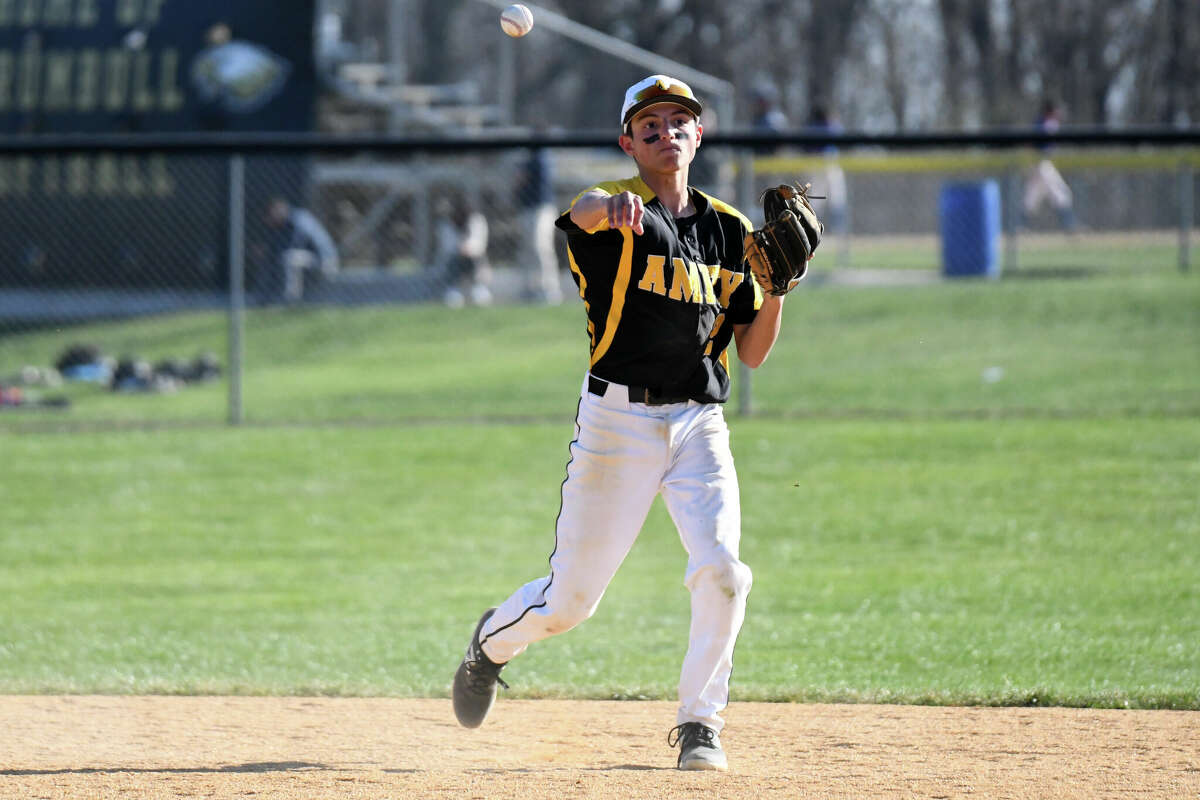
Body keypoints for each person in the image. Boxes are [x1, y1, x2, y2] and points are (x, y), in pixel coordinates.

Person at [452, 75, 798, 772]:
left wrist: (781, 290)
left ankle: (701, 724)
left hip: (700, 422)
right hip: (617, 424)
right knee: (570, 603)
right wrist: (606, 205)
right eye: (650, 125)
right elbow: (577, 212)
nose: (666, 132)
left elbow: (753, 352)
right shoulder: (617, 215)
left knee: (725, 572)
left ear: (699, 136)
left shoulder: (732, 232)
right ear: (628, 144)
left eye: (680, 121)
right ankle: (488, 647)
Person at [260, 197, 339, 304]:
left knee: (289, 258)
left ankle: (291, 300)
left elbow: (296, 244)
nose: (272, 217)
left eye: (272, 212)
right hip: (312, 259)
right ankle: (266, 297)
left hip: (326, 261)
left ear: (279, 209)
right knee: (283, 257)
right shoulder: (287, 222)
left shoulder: (298, 219)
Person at [516, 144, 563, 304]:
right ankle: (529, 288)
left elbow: (522, 179)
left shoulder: (543, 157)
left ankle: (549, 289)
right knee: (527, 248)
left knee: (541, 248)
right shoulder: (529, 158)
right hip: (527, 208)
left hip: (542, 208)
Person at [432, 192, 493, 308]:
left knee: (476, 259)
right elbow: (447, 246)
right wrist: (459, 248)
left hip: (474, 256)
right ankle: (453, 290)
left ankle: (479, 288)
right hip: (454, 257)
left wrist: (468, 247)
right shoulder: (446, 224)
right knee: (454, 260)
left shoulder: (477, 220)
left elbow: (479, 243)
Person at [1022, 99, 1076, 231]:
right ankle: (1069, 226)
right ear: (1049, 111)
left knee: (1032, 197)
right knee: (1059, 194)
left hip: (1041, 164)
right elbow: (1033, 145)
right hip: (1041, 164)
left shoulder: (1045, 123)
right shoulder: (1044, 124)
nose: (1058, 113)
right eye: (1055, 111)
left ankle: (1020, 226)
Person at [806, 103, 848, 236]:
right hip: (827, 163)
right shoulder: (830, 126)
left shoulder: (812, 127)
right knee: (835, 199)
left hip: (818, 163)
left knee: (817, 200)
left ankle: (812, 229)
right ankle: (836, 230)